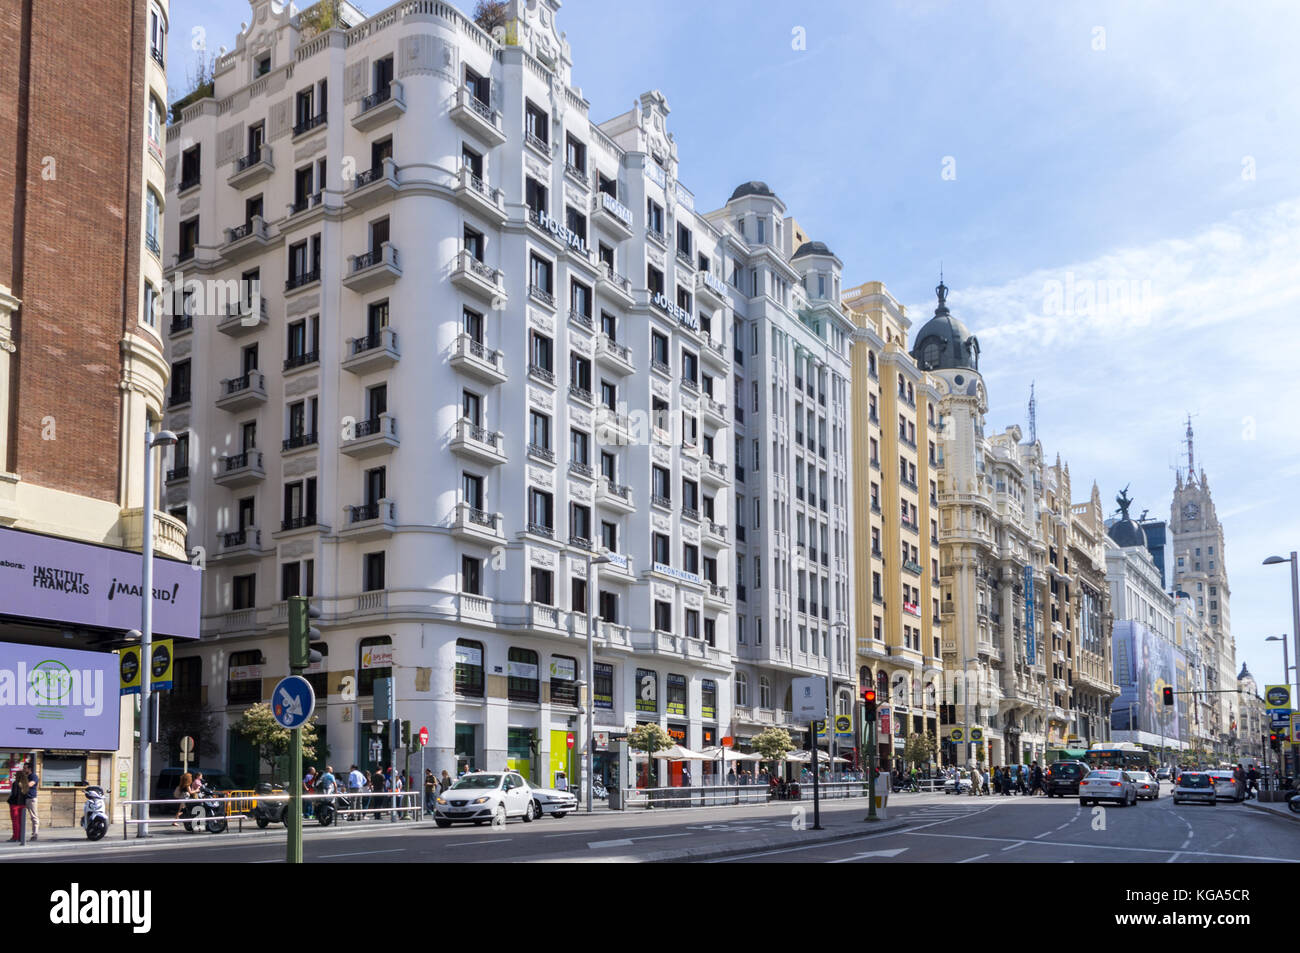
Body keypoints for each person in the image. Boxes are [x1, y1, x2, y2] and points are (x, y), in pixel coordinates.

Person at [7, 770, 28, 841]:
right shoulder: (25, 784)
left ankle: (15, 836)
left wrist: (9, 800)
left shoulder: (15, 784)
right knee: (21, 822)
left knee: (15, 822)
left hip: (15, 805)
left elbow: (14, 794)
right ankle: (20, 837)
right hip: (23, 805)